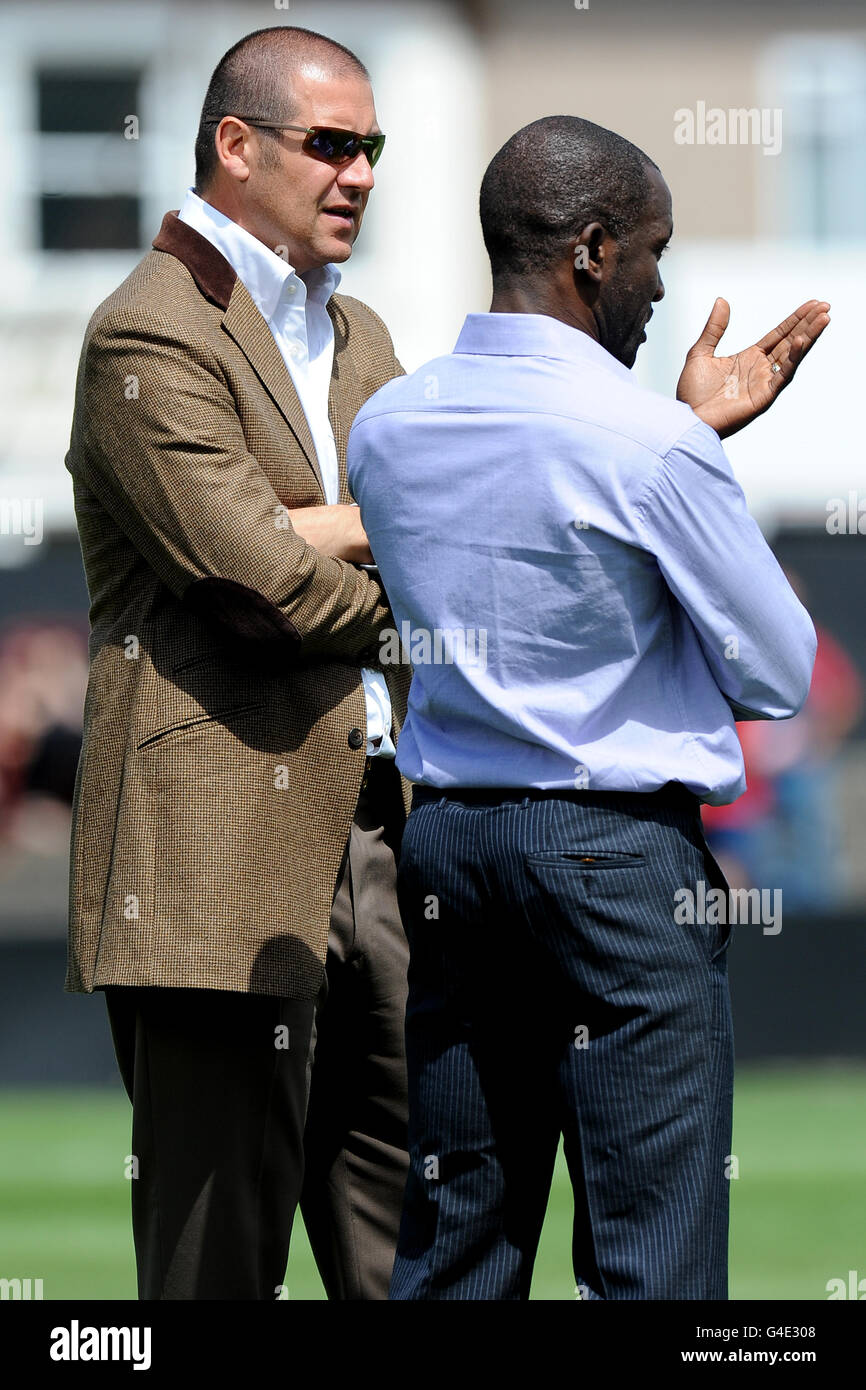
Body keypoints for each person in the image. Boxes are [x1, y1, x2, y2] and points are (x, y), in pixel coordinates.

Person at [347, 115, 827, 1300]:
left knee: (457, 1242)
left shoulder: (388, 427)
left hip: (449, 851)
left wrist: (680, 440)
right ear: (595, 250)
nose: (664, 285)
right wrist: (692, 450)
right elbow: (774, 670)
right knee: (649, 1257)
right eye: (655, 253)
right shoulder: (652, 445)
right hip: (612, 861)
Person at [64, 26, 411, 1300]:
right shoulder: (142, 334)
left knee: (413, 1264)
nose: (360, 173)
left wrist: (315, 529)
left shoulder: (363, 334)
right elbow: (253, 587)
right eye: (331, 145)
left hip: (384, 836)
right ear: (235, 145)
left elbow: (399, 534)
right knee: (213, 1280)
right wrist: (380, 544)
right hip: (210, 860)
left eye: (370, 148)